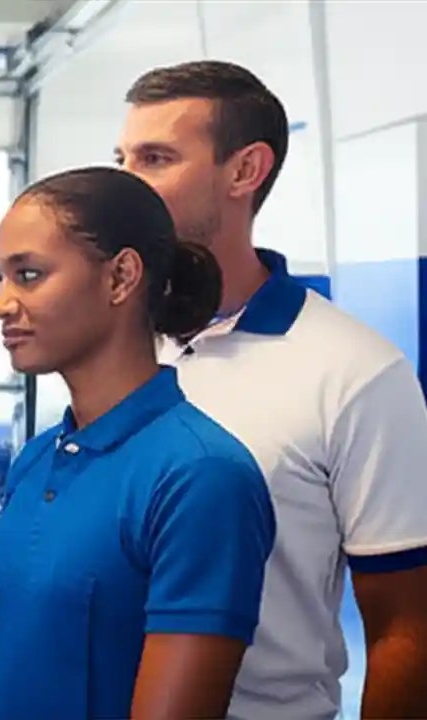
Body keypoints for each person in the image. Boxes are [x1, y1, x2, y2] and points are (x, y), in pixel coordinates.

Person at [115, 59, 427, 719]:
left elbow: (406, 629)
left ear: (245, 170)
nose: (125, 184)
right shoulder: (110, 344)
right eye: (123, 159)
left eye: (155, 159)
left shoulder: (356, 373)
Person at [0, 166, 277, 719]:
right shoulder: (38, 459)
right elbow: (4, 658)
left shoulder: (201, 476)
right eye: (0, 279)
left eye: (28, 275)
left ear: (121, 277)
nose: (1, 304)